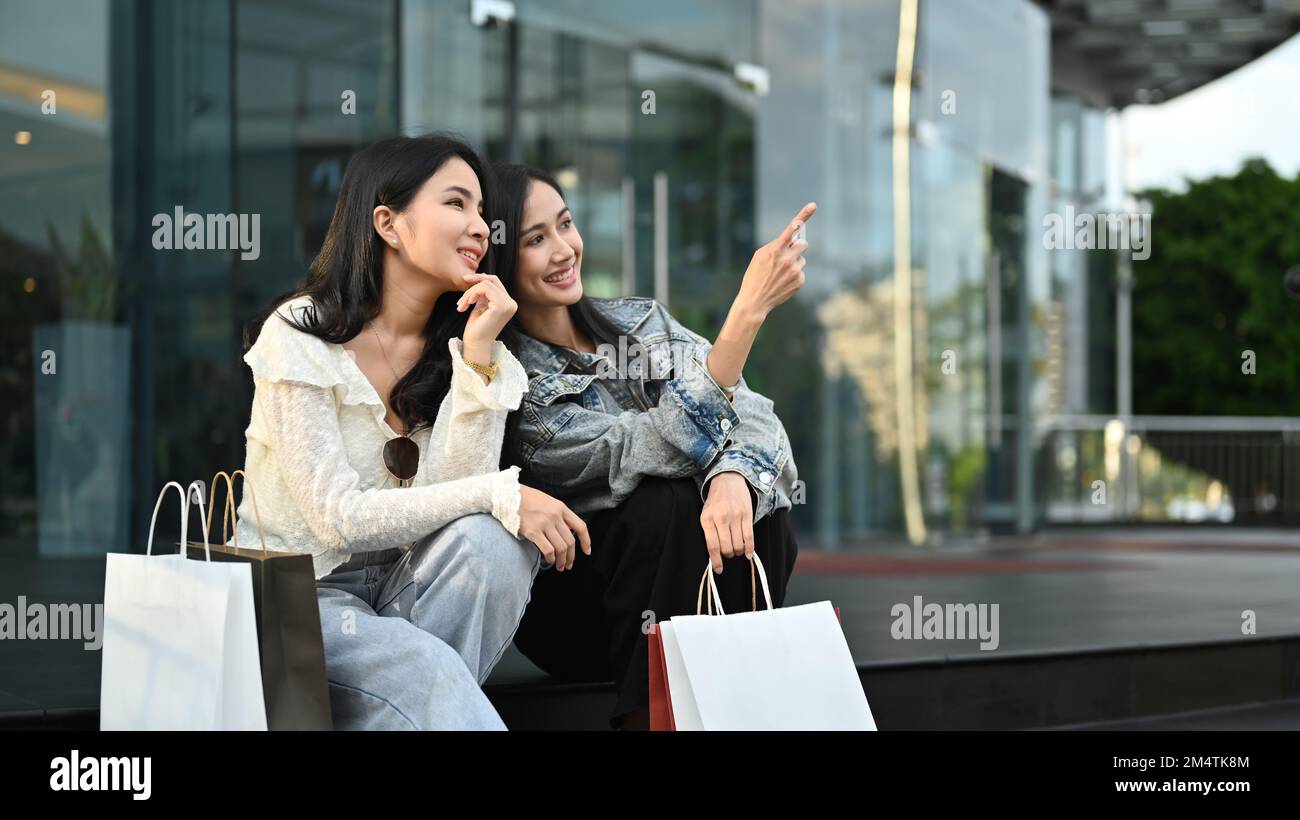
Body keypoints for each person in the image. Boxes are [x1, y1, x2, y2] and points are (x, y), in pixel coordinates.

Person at [232, 136, 589, 730]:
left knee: (489, 544)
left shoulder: (462, 350)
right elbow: (335, 518)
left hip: (402, 590)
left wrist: (477, 357)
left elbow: (454, 502)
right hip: (298, 603)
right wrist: (503, 493)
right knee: (430, 667)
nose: (480, 227)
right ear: (388, 224)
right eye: (456, 204)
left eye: (481, 211)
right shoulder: (298, 336)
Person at [489, 162, 812, 729]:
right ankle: (653, 715)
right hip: (585, 611)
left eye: (565, 224)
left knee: (762, 511)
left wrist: (733, 478)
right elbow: (647, 445)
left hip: (692, 586)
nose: (563, 249)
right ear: (499, 262)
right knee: (664, 500)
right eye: (536, 240)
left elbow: (758, 418)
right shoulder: (513, 383)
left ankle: (735, 699)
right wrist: (746, 315)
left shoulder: (640, 321)